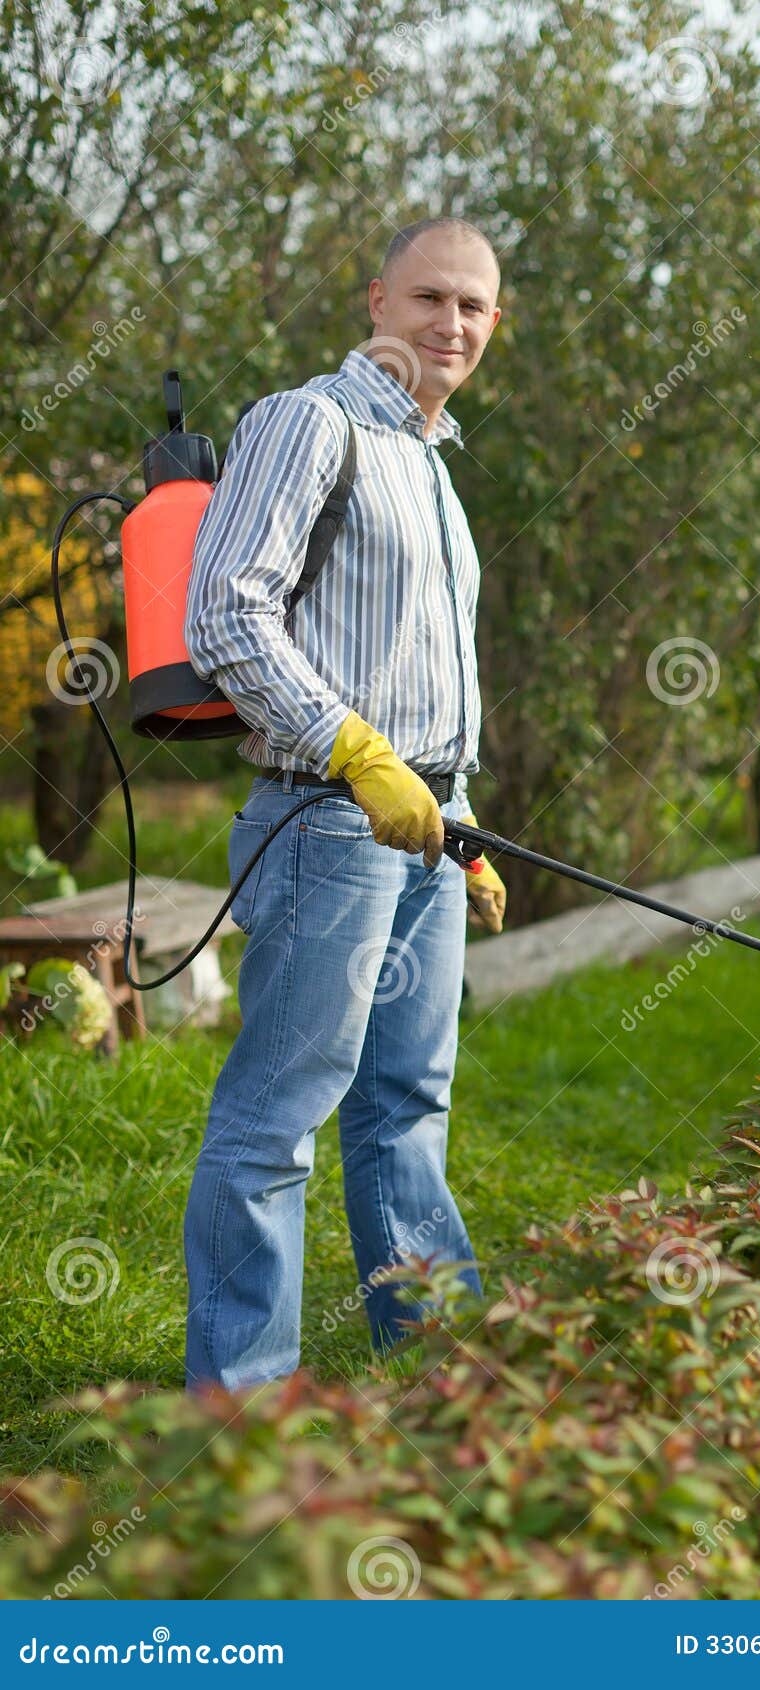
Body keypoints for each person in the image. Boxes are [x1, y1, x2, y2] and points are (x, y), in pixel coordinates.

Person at [181, 216, 506, 1389]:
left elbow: (427, 667)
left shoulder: (433, 463)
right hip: (324, 818)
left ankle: (437, 1382)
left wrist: (457, 824)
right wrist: (352, 748)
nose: (449, 323)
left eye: (471, 307)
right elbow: (224, 612)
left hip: (419, 828)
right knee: (276, 1127)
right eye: (428, 298)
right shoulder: (308, 422)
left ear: (492, 324)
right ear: (377, 301)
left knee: (405, 1108)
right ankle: (239, 1421)